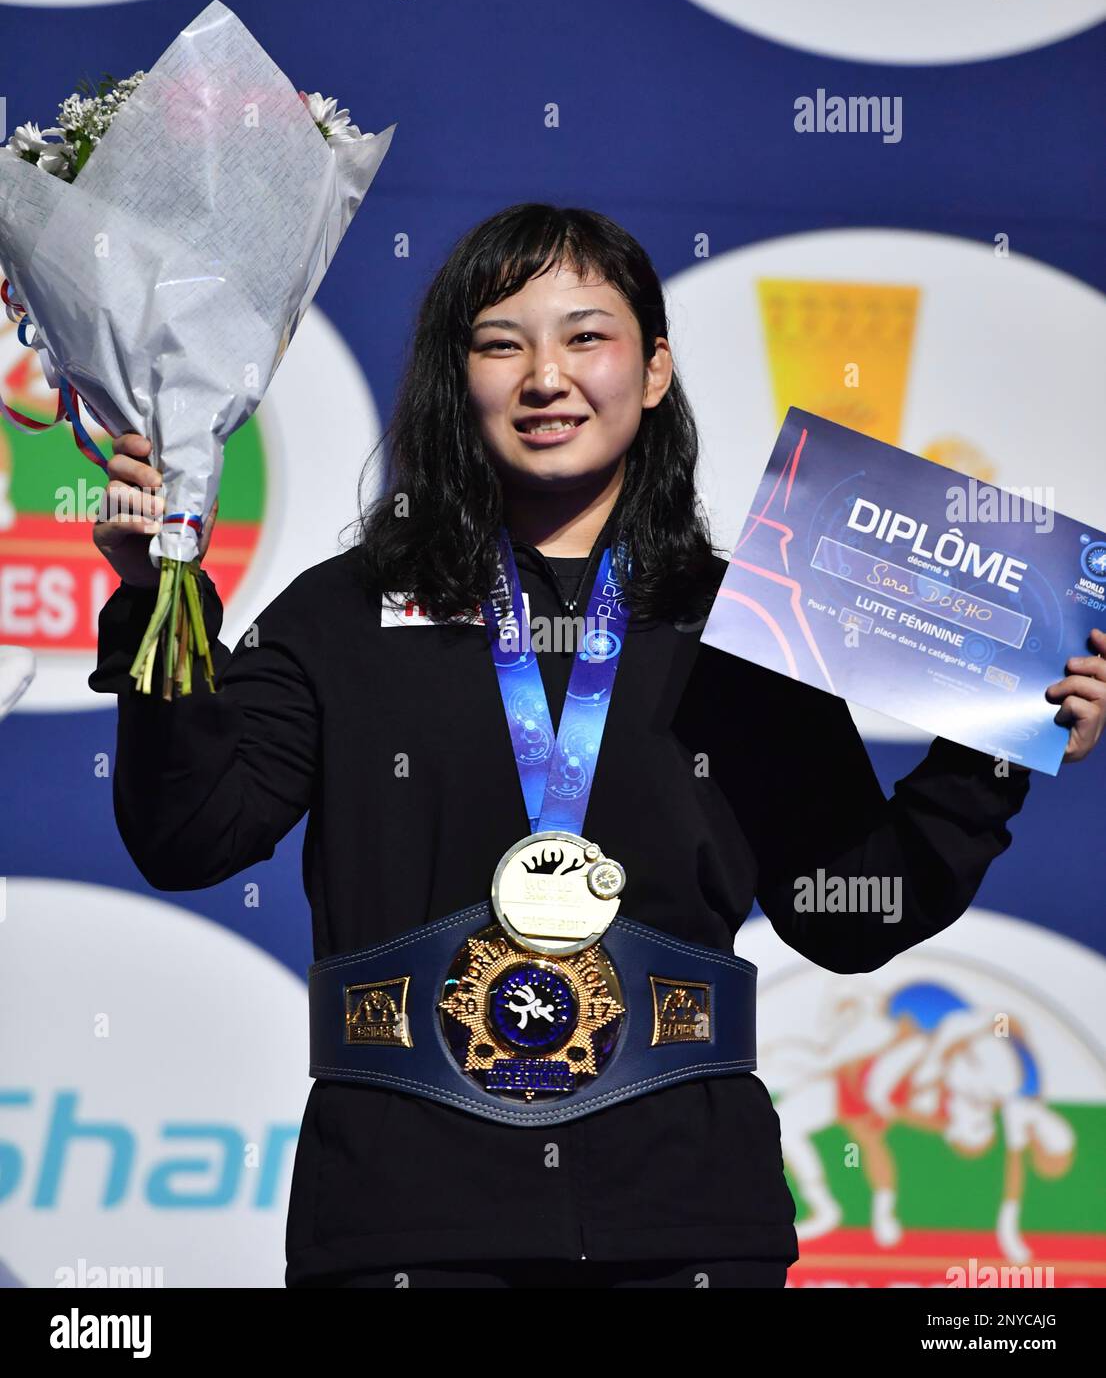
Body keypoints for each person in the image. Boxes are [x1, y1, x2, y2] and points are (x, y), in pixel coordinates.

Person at [89, 204, 1106, 1289]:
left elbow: (848, 910)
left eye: (586, 336)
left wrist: (993, 751)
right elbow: (189, 834)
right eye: (500, 342)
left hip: (685, 1225)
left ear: (653, 369)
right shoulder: (342, 614)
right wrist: (159, 606)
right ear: (455, 376)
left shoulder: (749, 623)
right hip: (406, 1224)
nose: (544, 377)